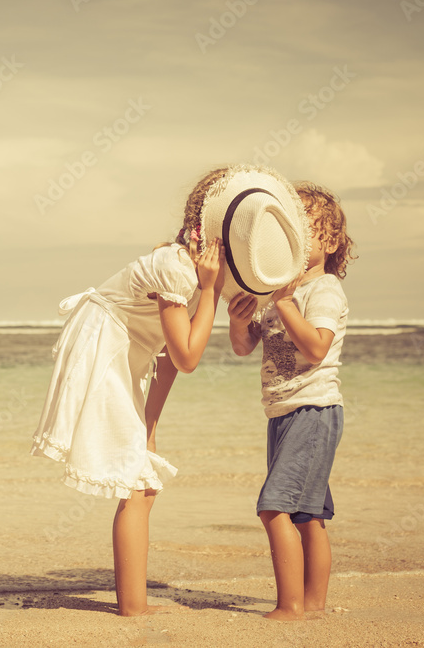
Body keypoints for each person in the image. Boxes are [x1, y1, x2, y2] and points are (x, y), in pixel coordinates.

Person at [31, 165, 308, 616]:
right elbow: (187, 357)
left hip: (131, 353)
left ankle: (133, 603)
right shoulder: (177, 269)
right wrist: (210, 293)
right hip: (103, 345)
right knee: (135, 485)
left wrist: (150, 428)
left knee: (143, 478)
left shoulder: (195, 278)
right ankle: (133, 608)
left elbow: (165, 358)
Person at [226, 180, 357, 620]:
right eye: (289, 229)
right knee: (307, 515)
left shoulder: (323, 289)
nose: (296, 238)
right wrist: (239, 323)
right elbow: (244, 347)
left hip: (314, 409)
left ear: (331, 242)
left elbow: (316, 348)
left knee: (274, 508)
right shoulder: (278, 291)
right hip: (284, 412)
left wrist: (285, 306)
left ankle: (290, 606)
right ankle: (313, 605)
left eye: (308, 229)